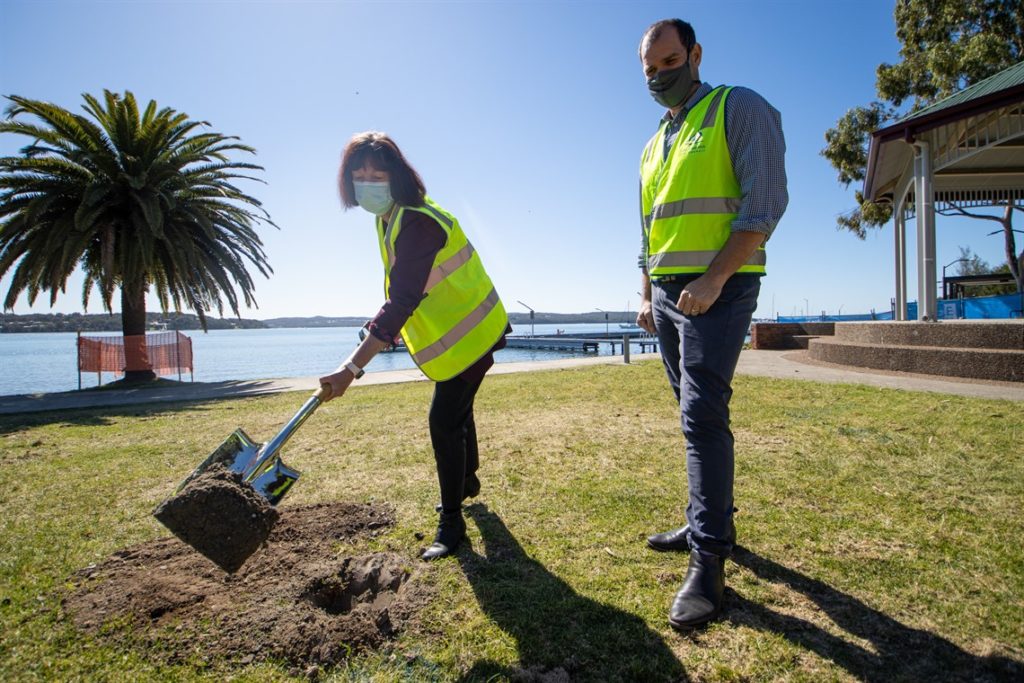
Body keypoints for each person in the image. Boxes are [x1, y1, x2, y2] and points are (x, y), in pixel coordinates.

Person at [634, 19, 788, 629]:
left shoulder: (737, 107)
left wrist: (716, 278)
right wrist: (645, 293)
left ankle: (709, 560)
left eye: (669, 61)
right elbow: (646, 231)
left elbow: (765, 203)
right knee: (693, 413)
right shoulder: (653, 144)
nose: (659, 76)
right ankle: (710, 518)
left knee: (702, 415)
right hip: (670, 296)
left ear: (695, 54)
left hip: (719, 289)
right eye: (649, 70)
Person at [319, 131, 509, 561]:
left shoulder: (418, 220)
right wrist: (378, 331)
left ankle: (451, 522)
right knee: (457, 409)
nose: (367, 182)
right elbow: (404, 290)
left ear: (397, 175)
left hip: (473, 331)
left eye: (377, 174)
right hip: (464, 333)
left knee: (444, 421)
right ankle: (468, 480)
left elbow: (402, 300)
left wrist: (351, 369)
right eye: (359, 174)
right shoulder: (386, 218)